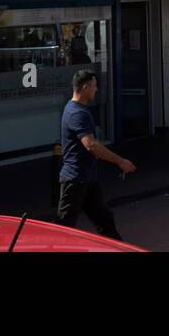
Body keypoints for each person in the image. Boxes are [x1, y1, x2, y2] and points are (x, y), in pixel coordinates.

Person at [57, 70, 136, 241]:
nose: (96, 90)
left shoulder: (74, 109)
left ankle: (118, 248)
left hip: (87, 179)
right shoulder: (77, 113)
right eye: (94, 86)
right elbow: (91, 145)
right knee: (63, 227)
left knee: (105, 221)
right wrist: (120, 161)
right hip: (75, 180)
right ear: (85, 87)